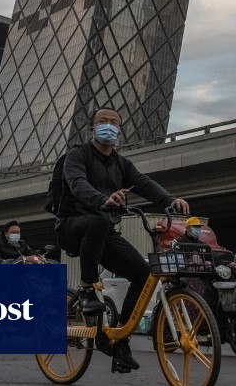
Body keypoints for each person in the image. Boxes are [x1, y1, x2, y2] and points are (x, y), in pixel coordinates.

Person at [54, 107, 190, 374]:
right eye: (102, 122)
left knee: (141, 272)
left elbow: (142, 182)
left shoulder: (121, 163)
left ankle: (119, 340)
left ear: (120, 130)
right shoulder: (77, 155)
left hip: (102, 232)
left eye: (114, 122)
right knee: (100, 220)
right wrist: (103, 200)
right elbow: (77, 183)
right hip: (71, 226)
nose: (108, 126)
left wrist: (170, 200)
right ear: (91, 128)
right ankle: (86, 288)